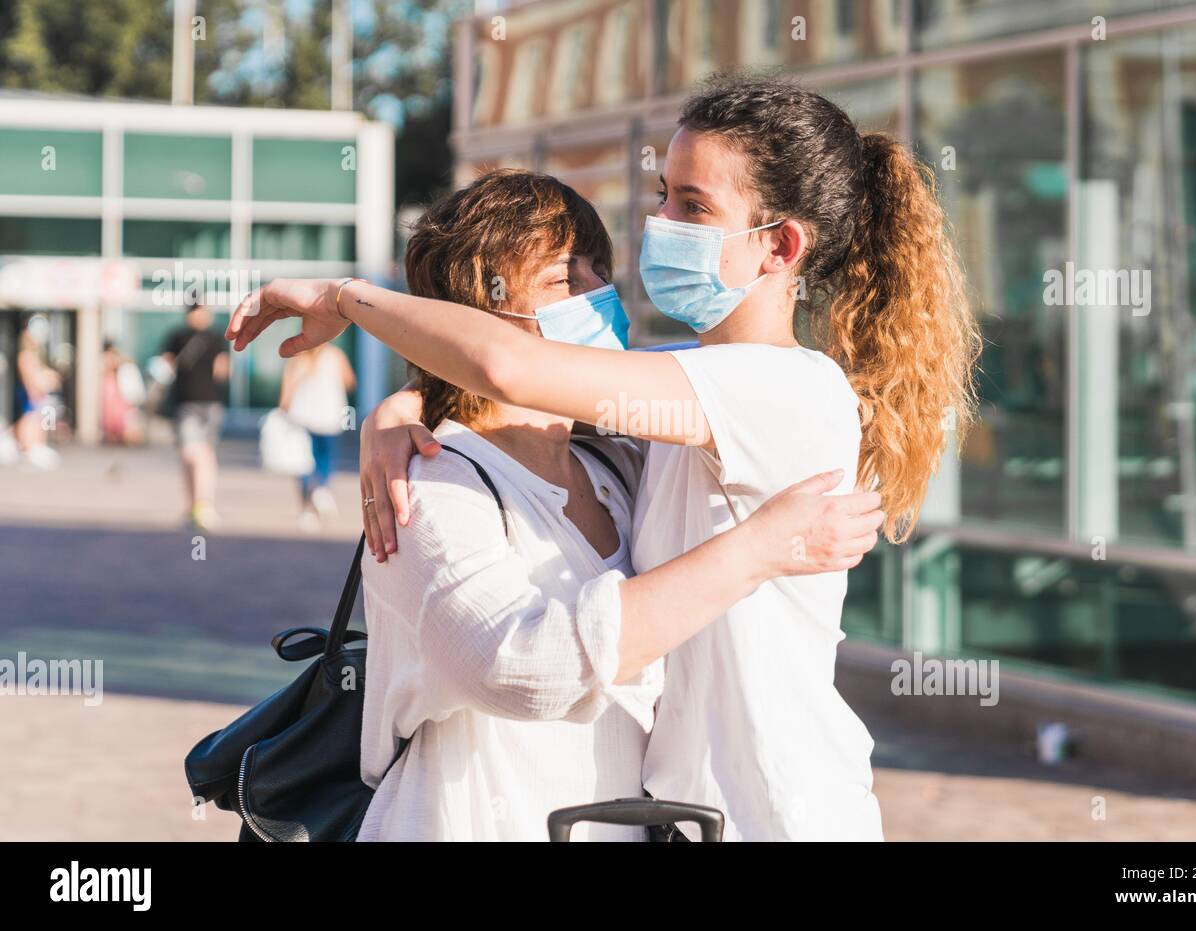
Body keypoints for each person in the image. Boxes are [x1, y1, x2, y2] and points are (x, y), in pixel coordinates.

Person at [228, 75, 978, 841]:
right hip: (693, 816)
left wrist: (346, 297)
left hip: (782, 815)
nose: (658, 222)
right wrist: (402, 411)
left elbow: (514, 369)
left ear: (780, 246)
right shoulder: (686, 396)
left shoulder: (783, 388)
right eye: (663, 194)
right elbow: (526, 402)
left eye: (693, 205)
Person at [350, 171, 881, 840]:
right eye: (560, 279)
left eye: (597, 271)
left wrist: (401, 406)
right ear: (473, 318)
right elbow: (520, 668)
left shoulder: (620, 468)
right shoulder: (425, 486)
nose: (594, 295)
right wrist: (755, 550)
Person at [162, 304, 229, 529]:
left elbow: (165, 366)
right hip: (206, 401)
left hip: (189, 401)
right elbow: (222, 372)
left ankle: (200, 505)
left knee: (194, 454)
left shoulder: (176, 336)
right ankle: (199, 506)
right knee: (200, 454)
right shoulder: (215, 338)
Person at [279, 342, 355, 526]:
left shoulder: (298, 356)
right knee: (325, 458)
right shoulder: (335, 355)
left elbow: (287, 390)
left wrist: (282, 411)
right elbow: (350, 382)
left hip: (302, 416)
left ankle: (307, 509)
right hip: (330, 415)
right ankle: (322, 488)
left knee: (304, 462)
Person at [15, 326, 61, 470]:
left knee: (40, 421)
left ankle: (35, 446)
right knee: (32, 419)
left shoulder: (33, 356)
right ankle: (29, 447)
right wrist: (44, 382)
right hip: (35, 395)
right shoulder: (26, 357)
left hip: (40, 396)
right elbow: (32, 378)